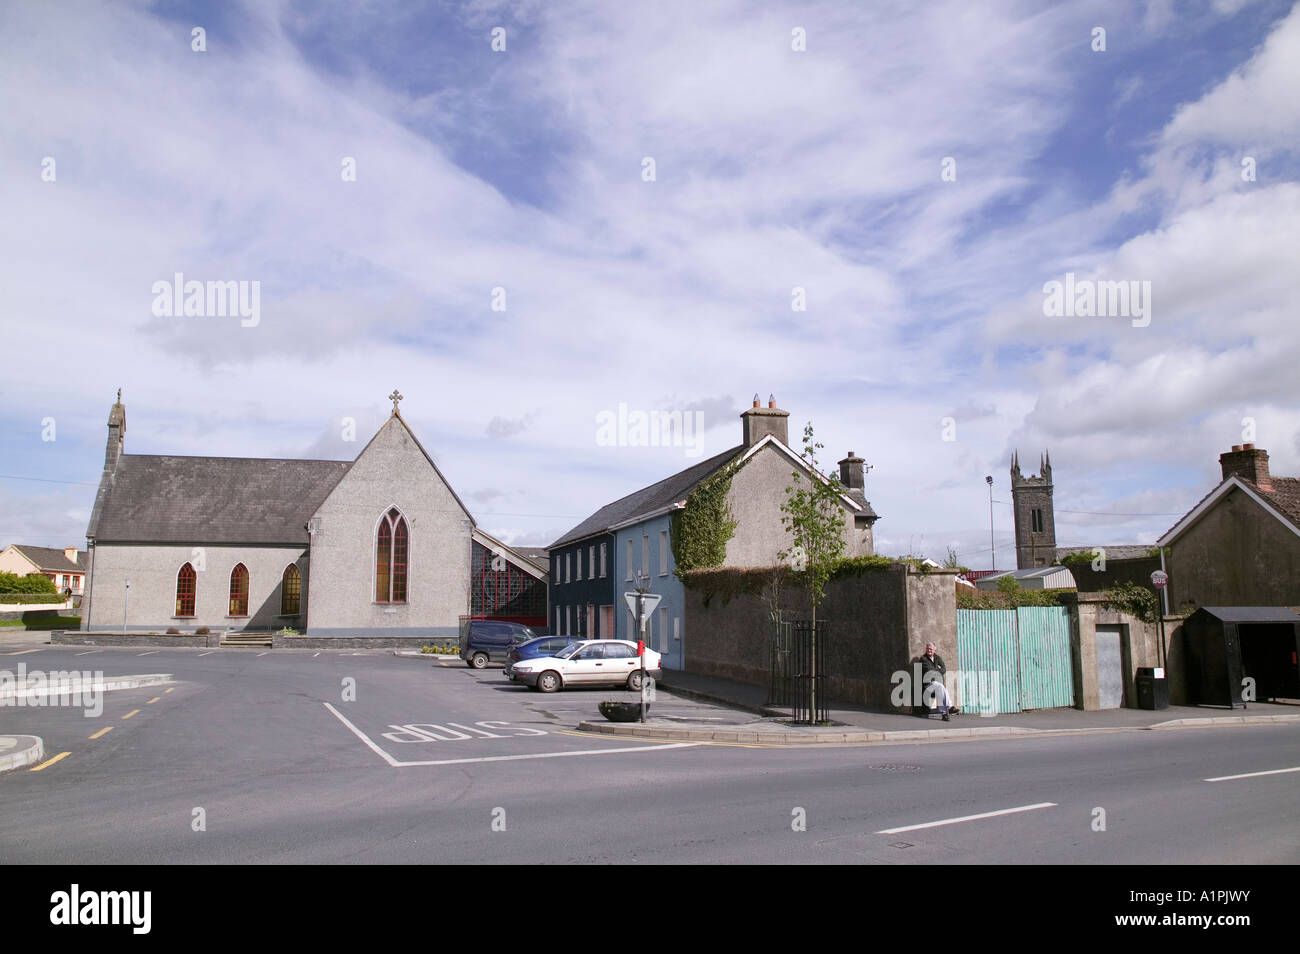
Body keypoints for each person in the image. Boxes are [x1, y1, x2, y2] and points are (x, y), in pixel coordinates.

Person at [915, 642, 959, 720]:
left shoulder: (938, 658)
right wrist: (937, 668)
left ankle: (945, 714)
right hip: (928, 684)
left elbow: (944, 669)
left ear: (934, 650)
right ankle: (949, 706)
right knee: (940, 686)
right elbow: (929, 670)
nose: (929, 650)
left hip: (937, 683)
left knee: (941, 688)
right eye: (928, 649)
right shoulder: (923, 659)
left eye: (931, 649)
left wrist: (936, 669)